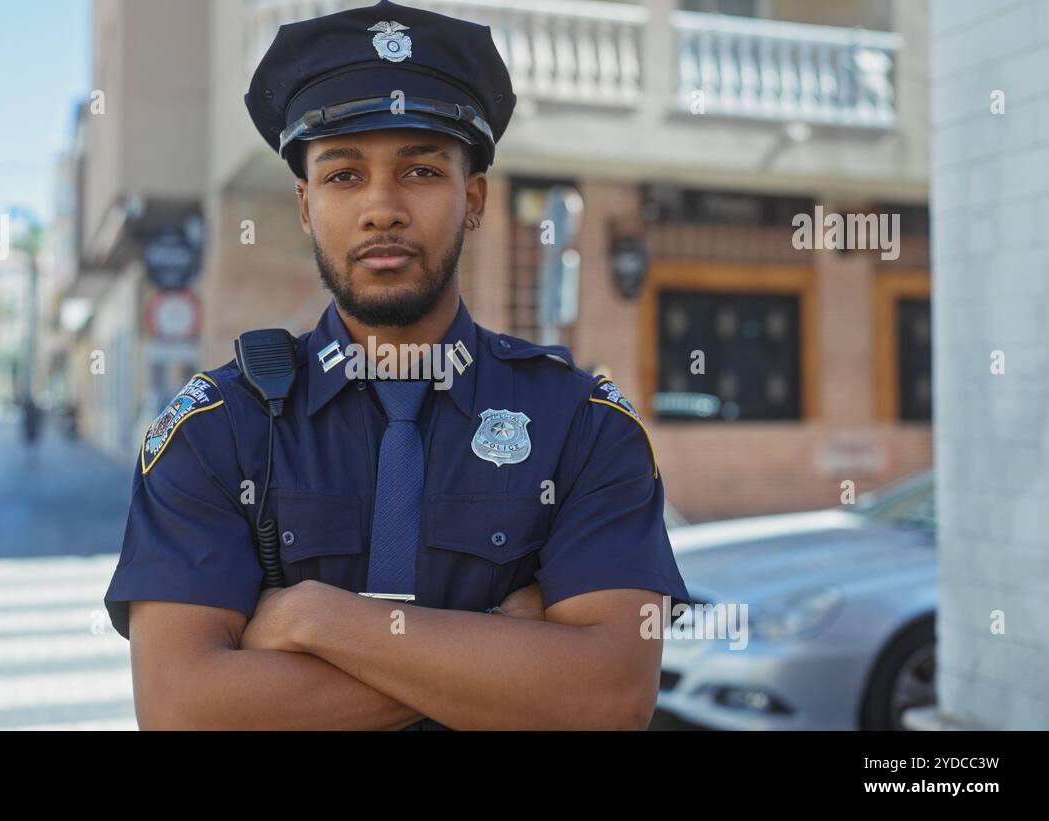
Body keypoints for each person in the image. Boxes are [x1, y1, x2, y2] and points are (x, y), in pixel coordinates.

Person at [104, 0, 690, 730]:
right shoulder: (218, 430)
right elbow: (184, 708)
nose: (382, 208)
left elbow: (608, 697)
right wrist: (500, 643)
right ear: (305, 206)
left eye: (419, 169)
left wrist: (321, 619)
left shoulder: (582, 426)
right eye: (344, 175)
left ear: (472, 198)